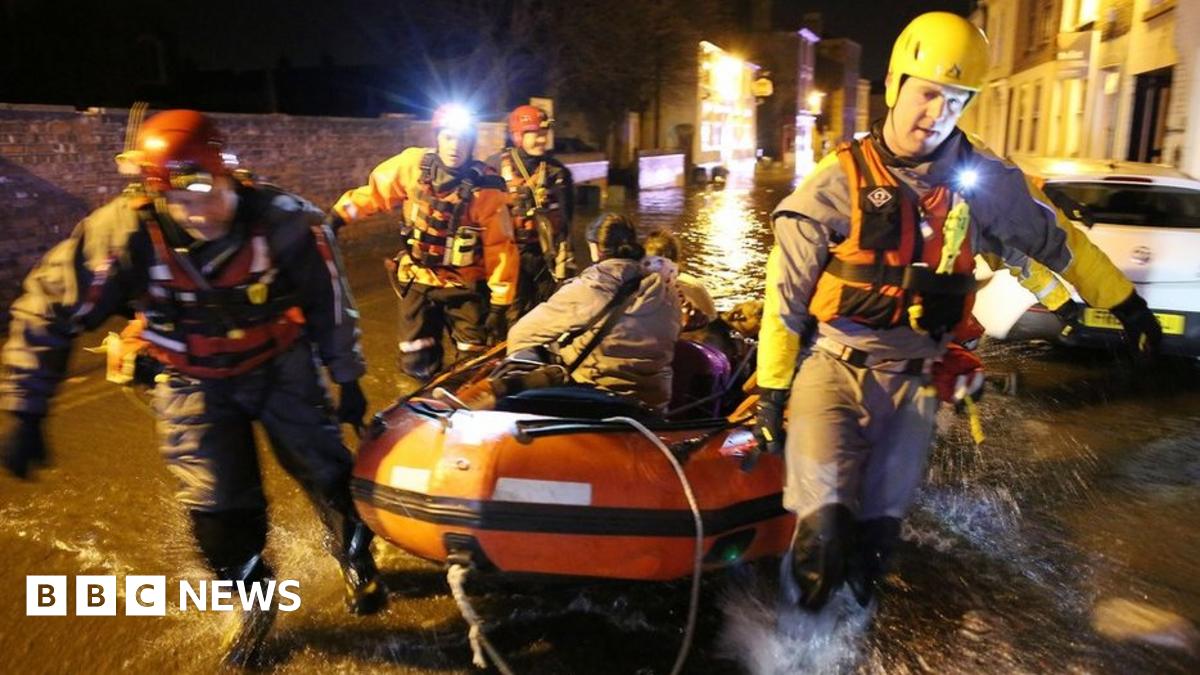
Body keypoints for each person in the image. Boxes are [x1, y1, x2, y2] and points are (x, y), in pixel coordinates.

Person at [754, 12, 1163, 612]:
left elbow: (1059, 245)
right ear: (895, 85)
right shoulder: (833, 184)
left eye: (954, 101)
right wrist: (771, 390)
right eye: (926, 94)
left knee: (872, 554)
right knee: (824, 542)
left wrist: (1128, 307)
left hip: (913, 384)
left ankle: (846, 641)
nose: (935, 115)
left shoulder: (984, 183)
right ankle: (791, 645)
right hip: (836, 370)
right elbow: (785, 297)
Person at [0, 110, 386, 664]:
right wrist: (25, 407)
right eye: (173, 197)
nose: (192, 210)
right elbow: (49, 305)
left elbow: (329, 301)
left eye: (203, 189)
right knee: (217, 510)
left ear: (230, 174)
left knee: (325, 467)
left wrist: (346, 377)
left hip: (279, 366)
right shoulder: (125, 231)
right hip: (191, 380)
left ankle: (353, 553)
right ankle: (254, 601)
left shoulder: (287, 223)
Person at [330, 103, 519, 380]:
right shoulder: (412, 167)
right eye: (448, 137)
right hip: (418, 279)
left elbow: (500, 248)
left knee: (474, 365)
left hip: (463, 286)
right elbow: (374, 193)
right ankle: (421, 411)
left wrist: (499, 304)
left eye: (462, 139)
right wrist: (337, 218)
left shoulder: (487, 190)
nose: (455, 146)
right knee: (415, 360)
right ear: (438, 137)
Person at [505, 214, 681, 412]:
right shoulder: (668, 291)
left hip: (595, 399)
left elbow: (521, 334)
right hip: (653, 405)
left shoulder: (593, 286)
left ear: (596, 249)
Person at [486, 105, 576, 319]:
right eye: (536, 134)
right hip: (507, 258)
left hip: (543, 257)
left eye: (544, 134)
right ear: (518, 135)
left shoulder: (558, 173)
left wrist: (565, 263)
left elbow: (565, 221)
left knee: (546, 317)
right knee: (509, 317)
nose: (542, 140)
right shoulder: (494, 166)